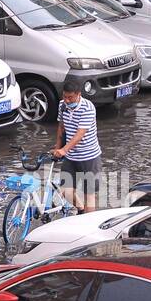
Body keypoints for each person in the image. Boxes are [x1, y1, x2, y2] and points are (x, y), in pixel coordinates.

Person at [52, 77, 102, 212]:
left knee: (89, 195)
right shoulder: (62, 105)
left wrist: (64, 150)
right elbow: (61, 127)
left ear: (79, 94)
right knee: (65, 191)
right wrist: (58, 146)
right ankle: (80, 210)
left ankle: (88, 225)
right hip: (71, 157)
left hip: (90, 157)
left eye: (70, 98)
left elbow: (80, 134)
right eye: (65, 96)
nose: (67, 101)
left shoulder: (88, 108)